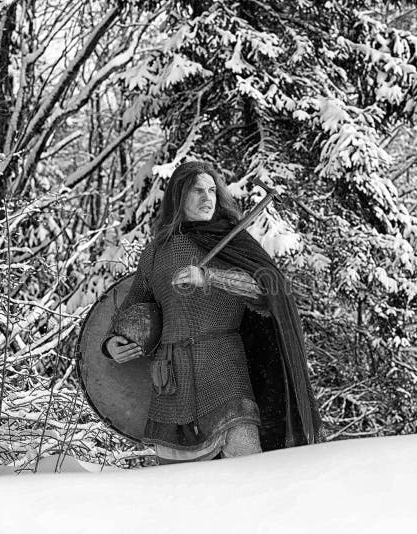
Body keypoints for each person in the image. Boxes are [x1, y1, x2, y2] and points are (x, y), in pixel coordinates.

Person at [101, 161, 322, 465]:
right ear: (178, 197)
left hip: (224, 371)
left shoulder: (231, 240)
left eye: (212, 191)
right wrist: (114, 341)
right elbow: (135, 305)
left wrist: (210, 276)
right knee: (176, 485)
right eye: (197, 191)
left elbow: (267, 287)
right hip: (171, 379)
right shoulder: (155, 252)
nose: (207, 198)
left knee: (248, 470)